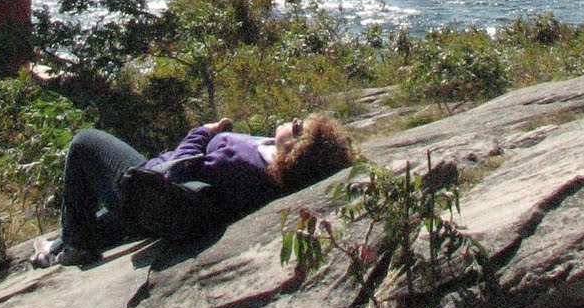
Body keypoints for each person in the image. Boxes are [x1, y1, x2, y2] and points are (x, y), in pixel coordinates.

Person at [32, 112, 354, 267]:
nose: (294, 119)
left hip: (150, 187)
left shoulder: (244, 166)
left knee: (85, 143)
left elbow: (179, 172)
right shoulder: (271, 163)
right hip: (166, 202)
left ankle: (76, 244)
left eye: (298, 127)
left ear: (297, 150)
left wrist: (201, 133)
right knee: (93, 220)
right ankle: (58, 246)